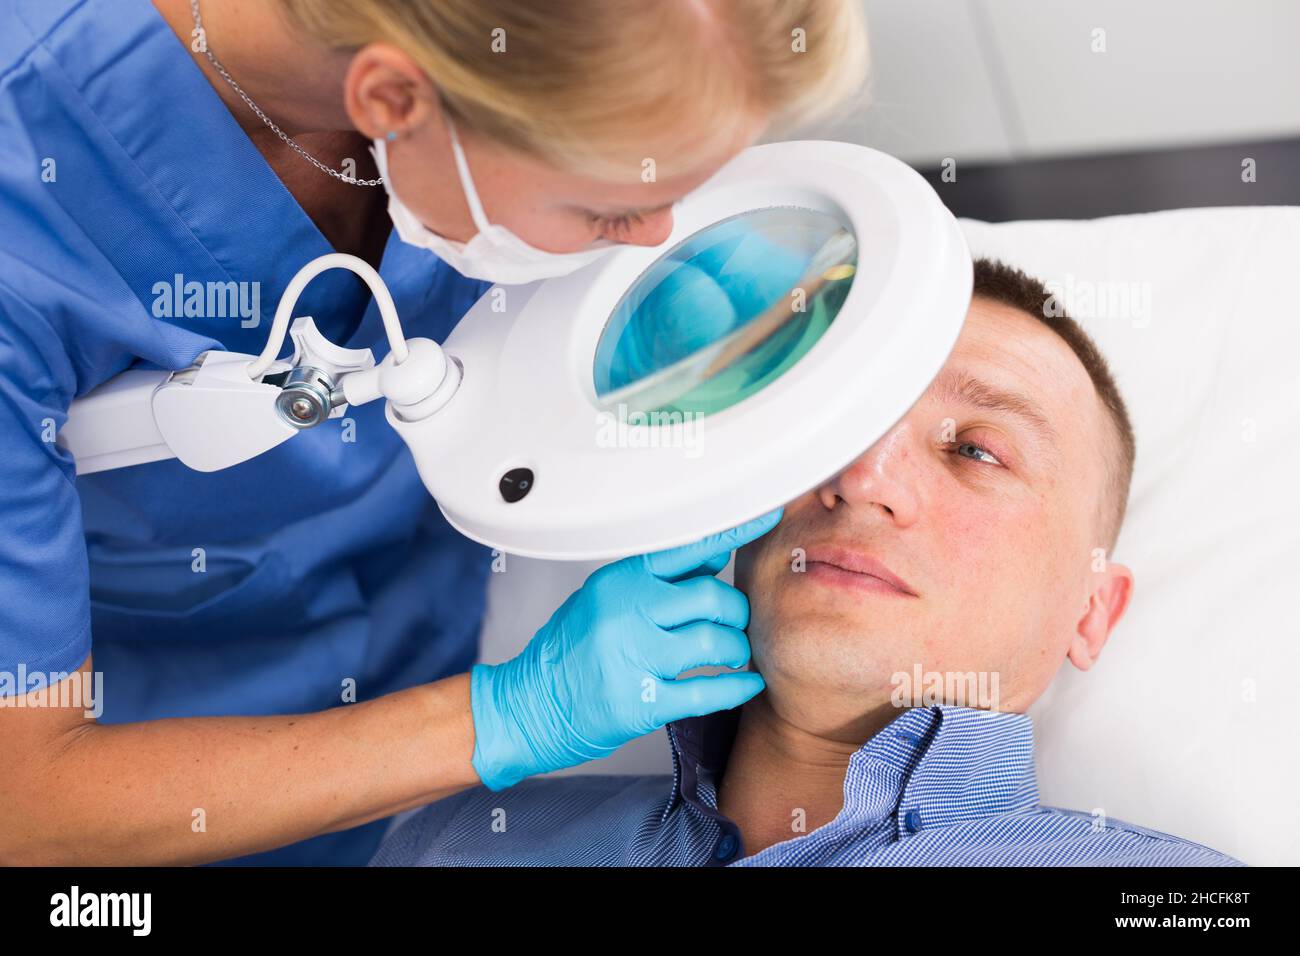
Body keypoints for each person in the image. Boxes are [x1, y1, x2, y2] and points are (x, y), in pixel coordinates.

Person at [0, 0, 867, 865]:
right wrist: (515, 717)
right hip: (168, 743)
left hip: (426, 620)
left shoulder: (520, 78)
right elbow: (25, 807)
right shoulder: (26, 209)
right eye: (607, 209)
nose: (653, 235)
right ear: (391, 100)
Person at [371, 258, 1244, 867]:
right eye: (839, 429)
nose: (862, 481)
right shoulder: (460, 846)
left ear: (1093, 610)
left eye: (977, 450)